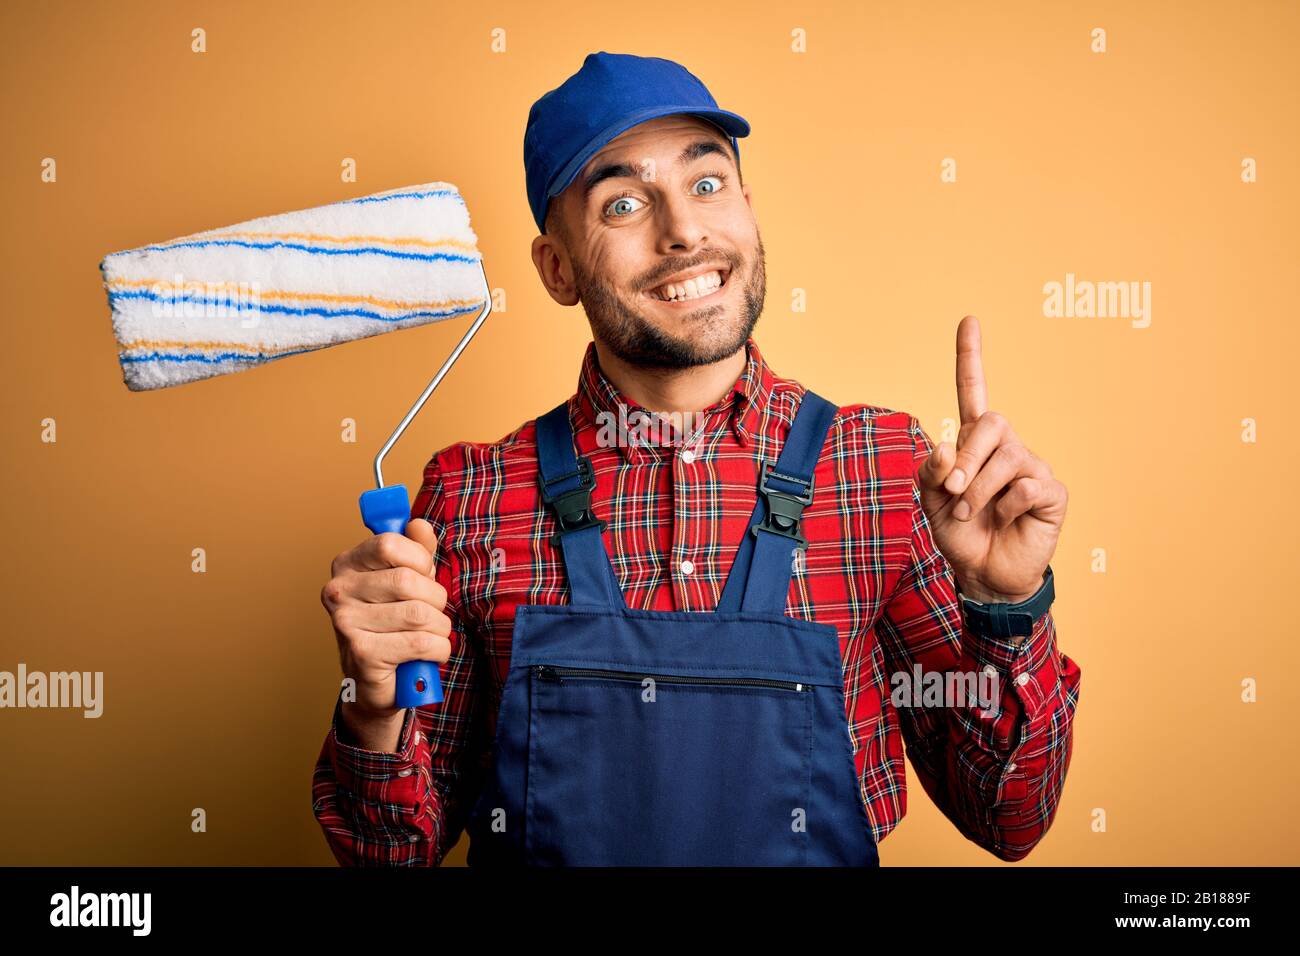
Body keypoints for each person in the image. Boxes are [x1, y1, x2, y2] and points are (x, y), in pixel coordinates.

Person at [312, 51, 1080, 866]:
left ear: (748, 208)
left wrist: (1007, 604)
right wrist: (374, 706)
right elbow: (391, 856)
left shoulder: (880, 469)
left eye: (706, 184)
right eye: (624, 203)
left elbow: (1009, 818)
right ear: (557, 269)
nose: (682, 230)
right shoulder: (473, 494)